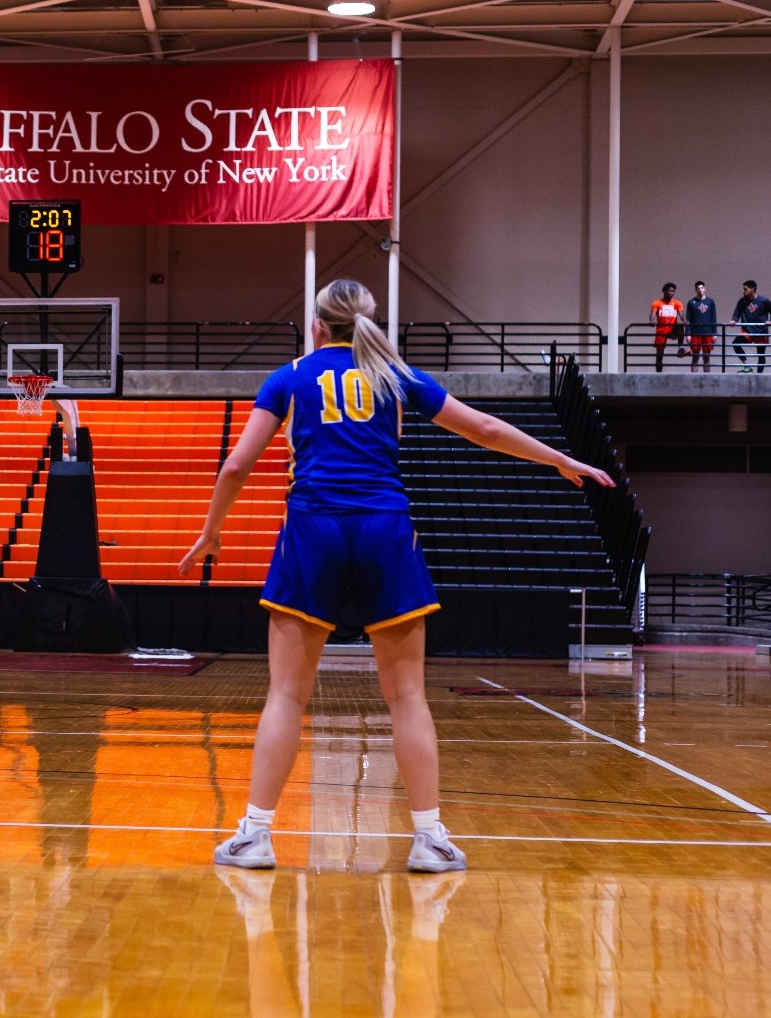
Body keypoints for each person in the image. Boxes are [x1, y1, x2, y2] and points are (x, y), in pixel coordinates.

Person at [179, 279, 612, 874]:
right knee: (407, 696)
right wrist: (561, 458)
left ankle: (255, 834)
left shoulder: (289, 378)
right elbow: (483, 427)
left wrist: (211, 532)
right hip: (386, 529)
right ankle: (430, 838)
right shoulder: (395, 376)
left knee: (285, 693)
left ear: (315, 325)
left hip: (314, 528)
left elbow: (237, 464)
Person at [733, 279, 770, 373]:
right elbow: (737, 313)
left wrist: (770, 321)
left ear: (752, 289)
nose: (743, 291)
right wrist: (734, 320)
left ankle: (759, 375)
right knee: (736, 343)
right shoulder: (742, 301)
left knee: (761, 355)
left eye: (745, 289)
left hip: (761, 331)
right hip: (747, 331)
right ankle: (747, 366)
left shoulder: (763, 300)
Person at [685, 281, 719, 373]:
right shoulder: (691, 302)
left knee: (706, 357)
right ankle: (694, 378)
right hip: (695, 333)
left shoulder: (710, 301)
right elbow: (688, 319)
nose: (700, 290)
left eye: (702, 288)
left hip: (708, 332)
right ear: (696, 290)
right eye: (698, 288)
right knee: (695, 357)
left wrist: (714, 334)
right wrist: (688, 334)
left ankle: (707, 379)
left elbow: (713, 318)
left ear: (705, 289)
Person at [649, 282, 683, 373]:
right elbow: (653, 314)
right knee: (659, 355)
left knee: (680, 326)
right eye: (670, 291)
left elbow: (681, 314)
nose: (672, 293)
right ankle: (658, 374)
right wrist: (652, 321)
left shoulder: (677, 303)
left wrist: (685, 320)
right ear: (664, 291)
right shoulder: (657, 303)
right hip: (661, 331)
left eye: (673, 291)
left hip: (671, 329)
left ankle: (680, 348)